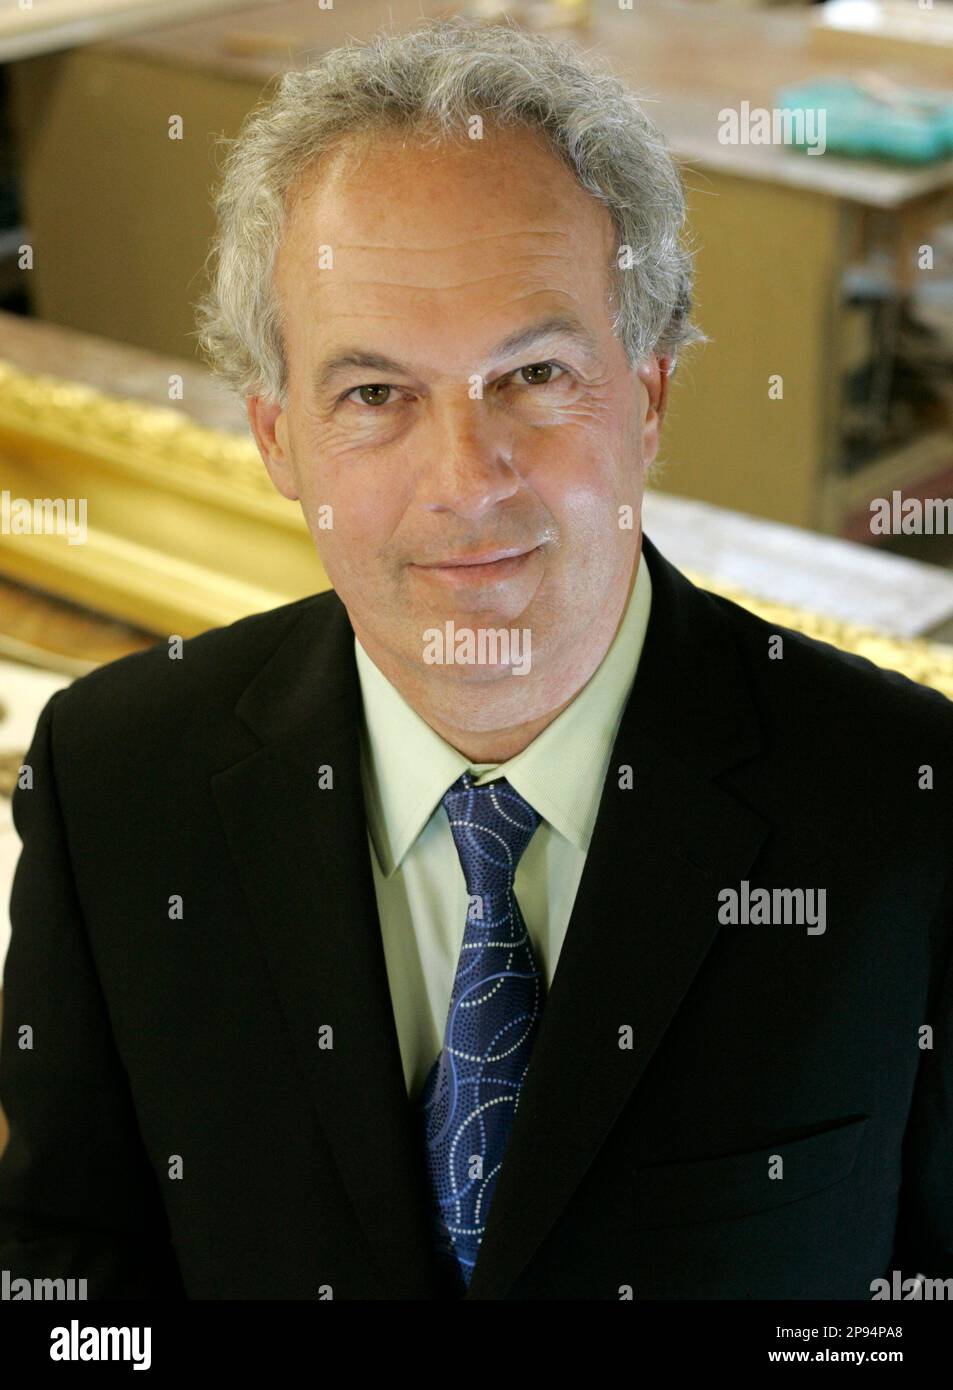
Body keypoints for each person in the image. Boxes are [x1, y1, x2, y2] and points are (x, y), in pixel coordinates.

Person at [1, 18, 950, 1300]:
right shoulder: (113, 778)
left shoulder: (903, 809)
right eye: (374, 395)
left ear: (650, 391)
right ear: (277, 438)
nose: (466, 481)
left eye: (534, 373)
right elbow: (66, 1273)